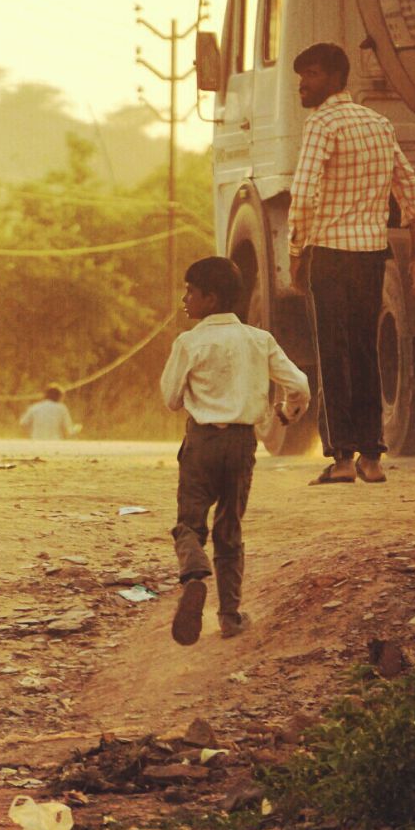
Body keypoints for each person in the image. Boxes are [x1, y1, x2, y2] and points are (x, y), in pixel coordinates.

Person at [288, 42, 415, 485]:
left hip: (329, 255)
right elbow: (409, 187)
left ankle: (341, 459)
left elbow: (304, 193)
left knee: (332, 354)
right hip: (371, 255)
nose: (302, 83)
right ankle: (373, 458)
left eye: (310, 74)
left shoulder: (321, 124)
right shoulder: (378, 123)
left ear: (333, 78)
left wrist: (296, 253)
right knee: (364, 351)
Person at [160, 257, 310, 645]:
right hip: (242, 444)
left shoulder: (189, 342)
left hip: (202, 443)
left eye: (190, 291)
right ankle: (229, 616)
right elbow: (300, 383)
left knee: (189, 524)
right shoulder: (259, 340)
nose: (184, 298)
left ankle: (194, 574)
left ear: (210, 298)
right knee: (230, 528)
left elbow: (171, 398)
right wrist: (288, 412)